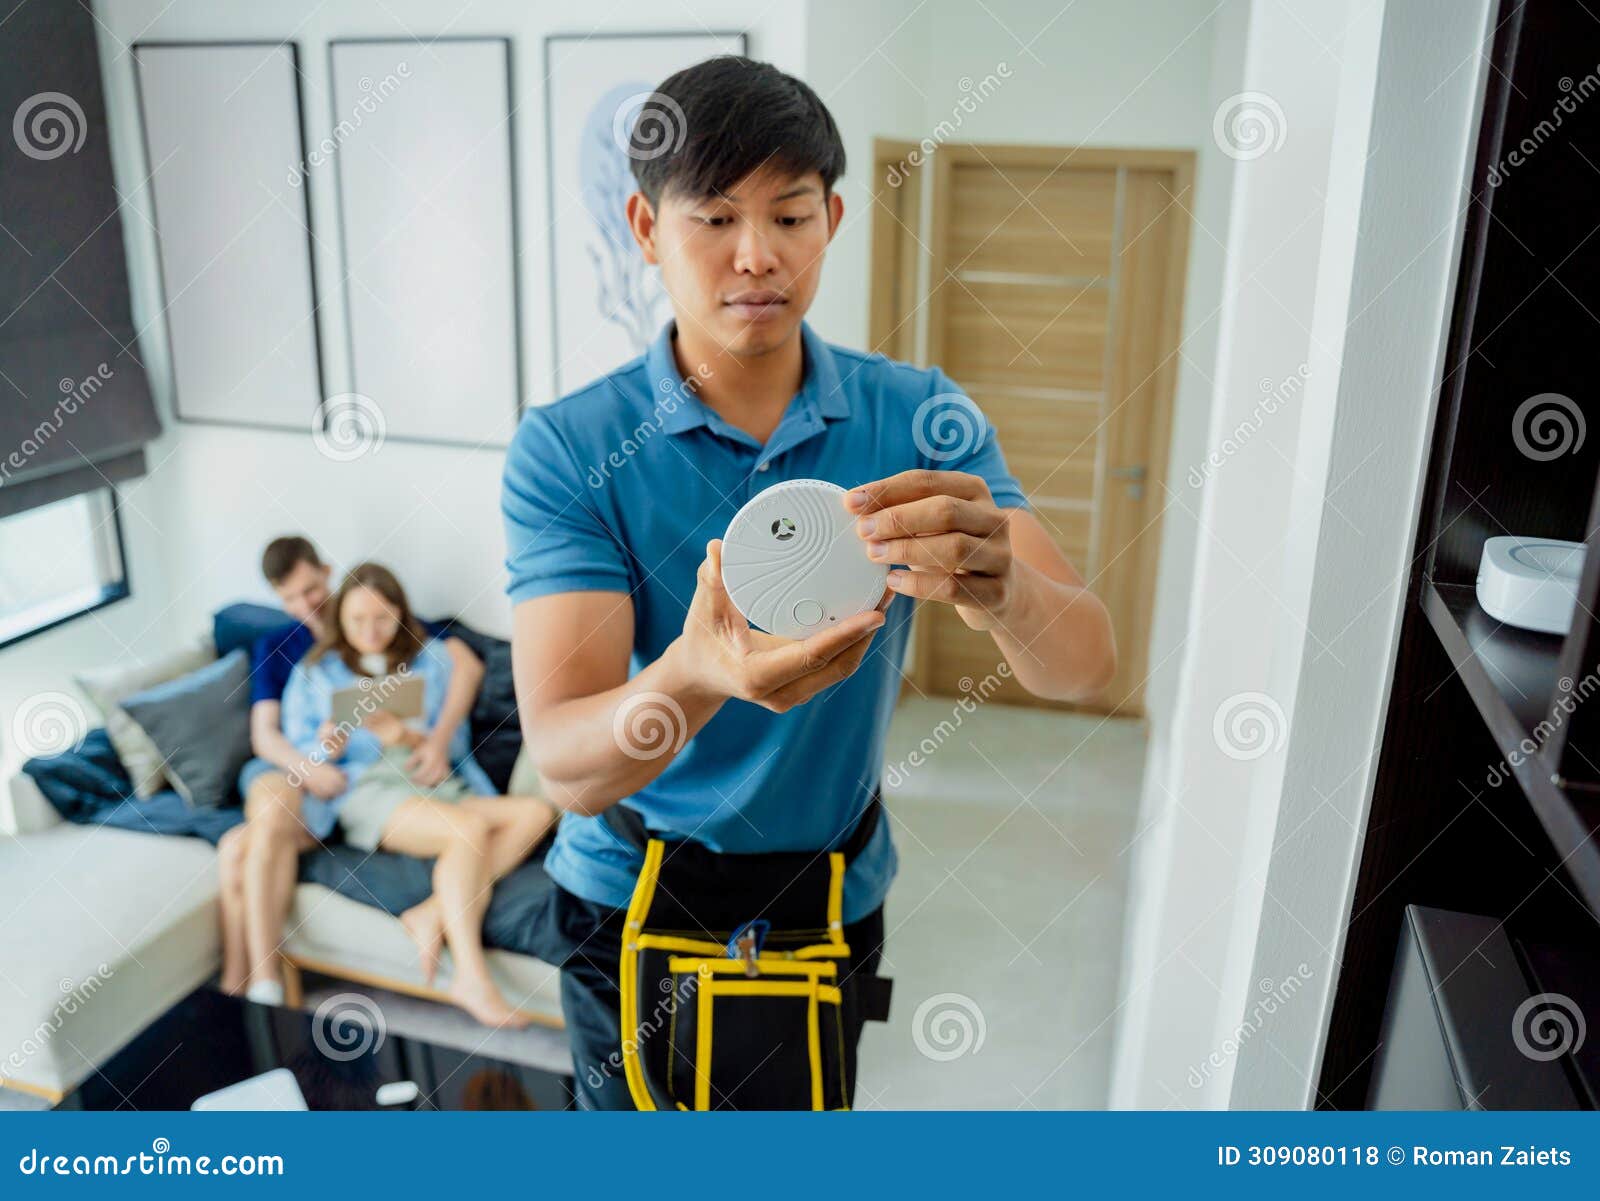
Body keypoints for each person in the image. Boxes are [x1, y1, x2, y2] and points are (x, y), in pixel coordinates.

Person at [501, 56, 1118, 1108]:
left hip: (831, 891)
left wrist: (999, 583)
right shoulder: (571, 448)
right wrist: (697, 673)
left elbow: (1084, 668)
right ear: (647, 229)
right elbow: (563, 761)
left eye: (789, 217)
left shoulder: (918, 416)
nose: (757, 256)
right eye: (713, 219)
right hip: (631, 900)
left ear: (832, 218)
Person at [279, 562, 557, 1027]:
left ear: (401, 614)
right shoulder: (315, 673)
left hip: (428, 780)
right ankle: (470, 976)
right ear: (339, 621)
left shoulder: (431, 658)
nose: (370, 631)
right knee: (467, 832)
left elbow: (449, 745)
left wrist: (406, 737)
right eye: (357, 621)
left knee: (534, 813)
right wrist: (324, 748)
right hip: (368, 789)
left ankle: (430, 911)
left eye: (383, 618)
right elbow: (300, 760)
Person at [216, 536, 484, 1005]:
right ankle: (260, 982)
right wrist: (312, 763)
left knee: (238, 848)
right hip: (291, 766)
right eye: (291, 598)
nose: (306, 605)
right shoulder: (280, 647)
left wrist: (436, 740)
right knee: (273, 805)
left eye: (312, 590)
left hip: (350, 775)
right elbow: (266, 736)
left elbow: (463, 663)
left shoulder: (382, 618)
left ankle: (242, 989)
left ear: (327, 574)